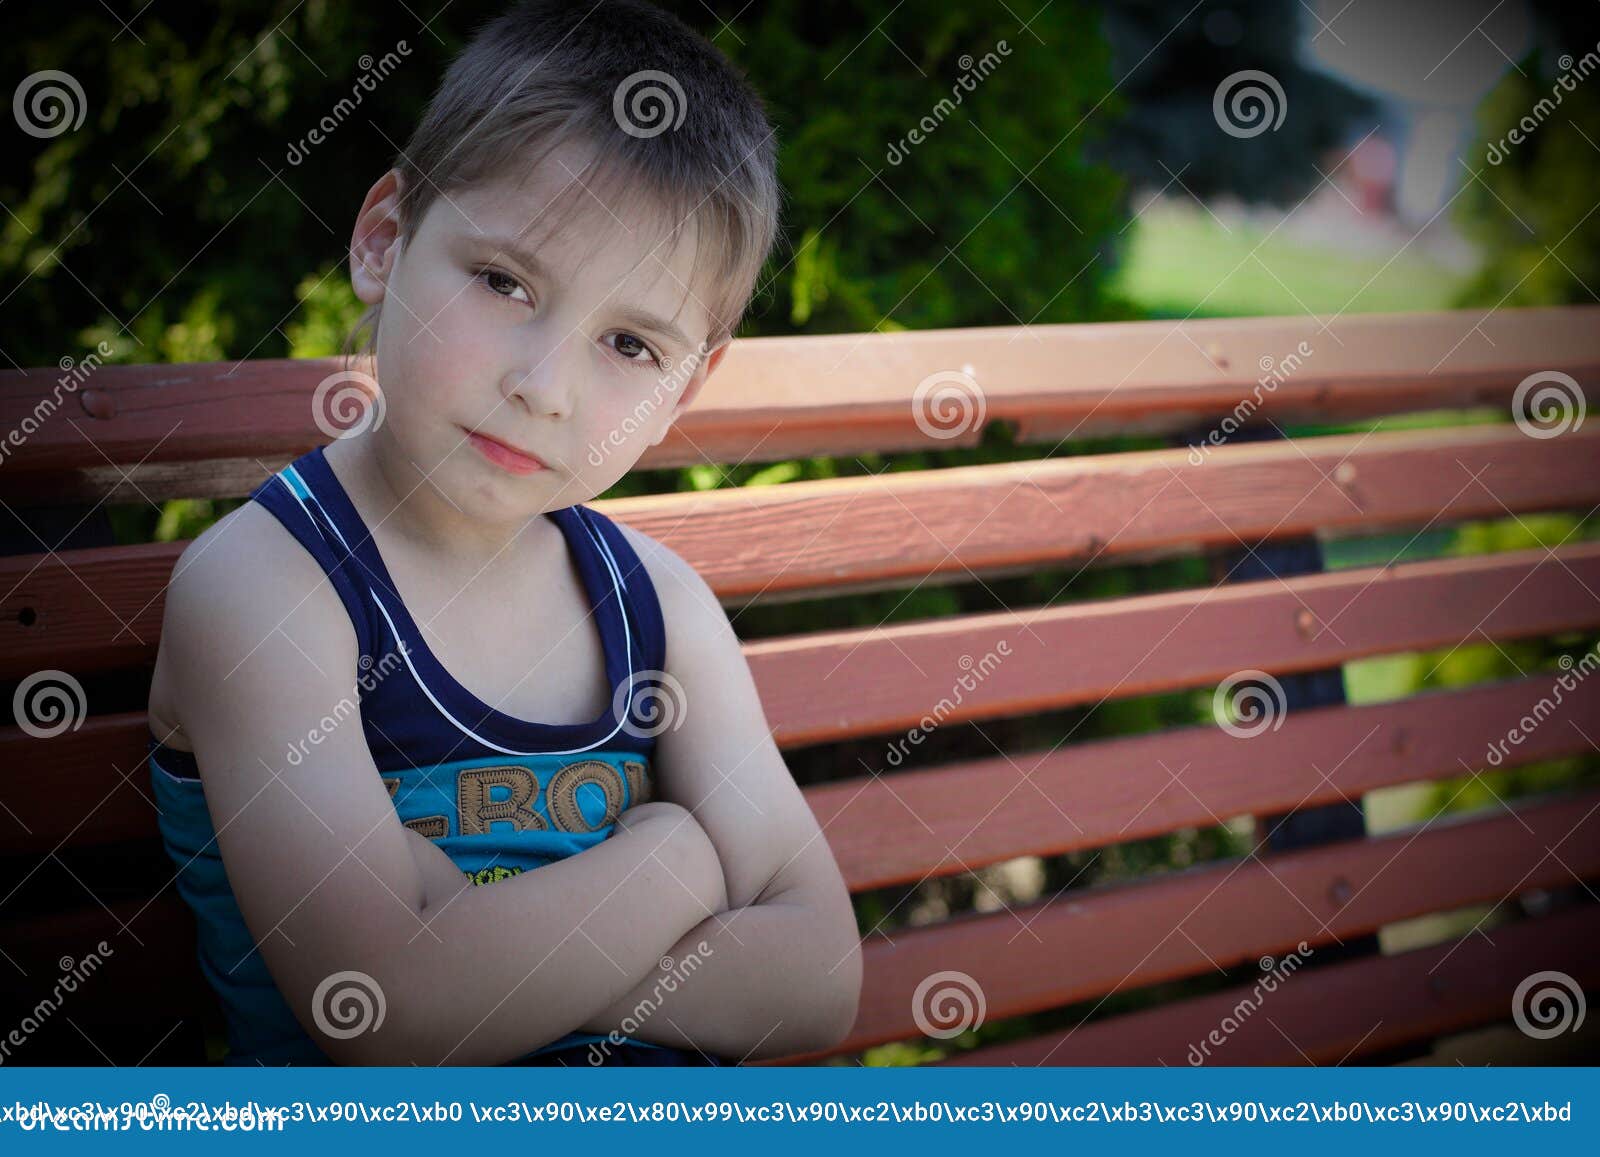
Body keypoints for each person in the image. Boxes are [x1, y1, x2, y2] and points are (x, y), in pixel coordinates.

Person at [145, 0, 862, 1068]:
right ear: (384, 241)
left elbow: (819, 980)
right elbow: (387, 1008)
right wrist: (670, 863)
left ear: (684, 388)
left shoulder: (658, 610)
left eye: (630, 343)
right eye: (503, 281)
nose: (543, 386)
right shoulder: (268, 591)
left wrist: (487, 956)